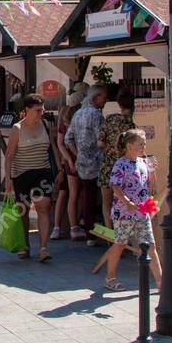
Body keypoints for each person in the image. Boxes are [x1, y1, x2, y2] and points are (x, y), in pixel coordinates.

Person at [104, 129, 162, 291]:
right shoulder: (120, 164)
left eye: (144, 143)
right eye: (140, 144)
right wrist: (127, 202)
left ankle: (160, 281)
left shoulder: (143, 162)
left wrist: (152, 171)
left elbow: (149, 186)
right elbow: (115, 185)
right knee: (120, 244)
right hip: (124, 212)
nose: (143, 147)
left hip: (142, 211)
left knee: (150, 244)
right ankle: (110, 277)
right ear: (129, 146)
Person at [4, 94, 59, 262]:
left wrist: (60, 169)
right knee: (23, 211)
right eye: (37, 110)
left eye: (42, 109)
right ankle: (25, 244)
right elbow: (9, 156)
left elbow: (53, 148)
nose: (41, 112)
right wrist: (8, 179)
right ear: (27, 110)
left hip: (43, 172)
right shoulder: (17, 129)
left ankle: (43, 247)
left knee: (43, 207)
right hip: (22, 174)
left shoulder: (45, 125)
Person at [65, 85, 108, 245]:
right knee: (100, 198)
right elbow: (101, 139)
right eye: (104, 97)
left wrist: (77, 154)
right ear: (96, 97)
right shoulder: (96, 115)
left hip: (82, 163)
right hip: (97, 162)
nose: (105, 100)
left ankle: (90, 232)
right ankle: (99, 233)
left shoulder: (77, 113)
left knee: (87, 197)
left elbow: (67, 139)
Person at [98, 88, 134, 229]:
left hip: (108, 166)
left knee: (107, 203)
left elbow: (99, 142)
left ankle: (110, 236)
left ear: (119, 104)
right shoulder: (133, 122)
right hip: (127, 168)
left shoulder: (111, 119)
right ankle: (124, 234)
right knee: (125, 203)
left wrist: (112, 146)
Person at [57, 91, 84, 240]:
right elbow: (68, 142)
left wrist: (68, 159)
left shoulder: (64, 118)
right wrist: (75, 158)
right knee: (79, 194)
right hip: (80, 160)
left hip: (69, 161)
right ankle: (76, 224)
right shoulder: (80, 117)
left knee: (72, 194)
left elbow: (60, 143)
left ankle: (72, 227)